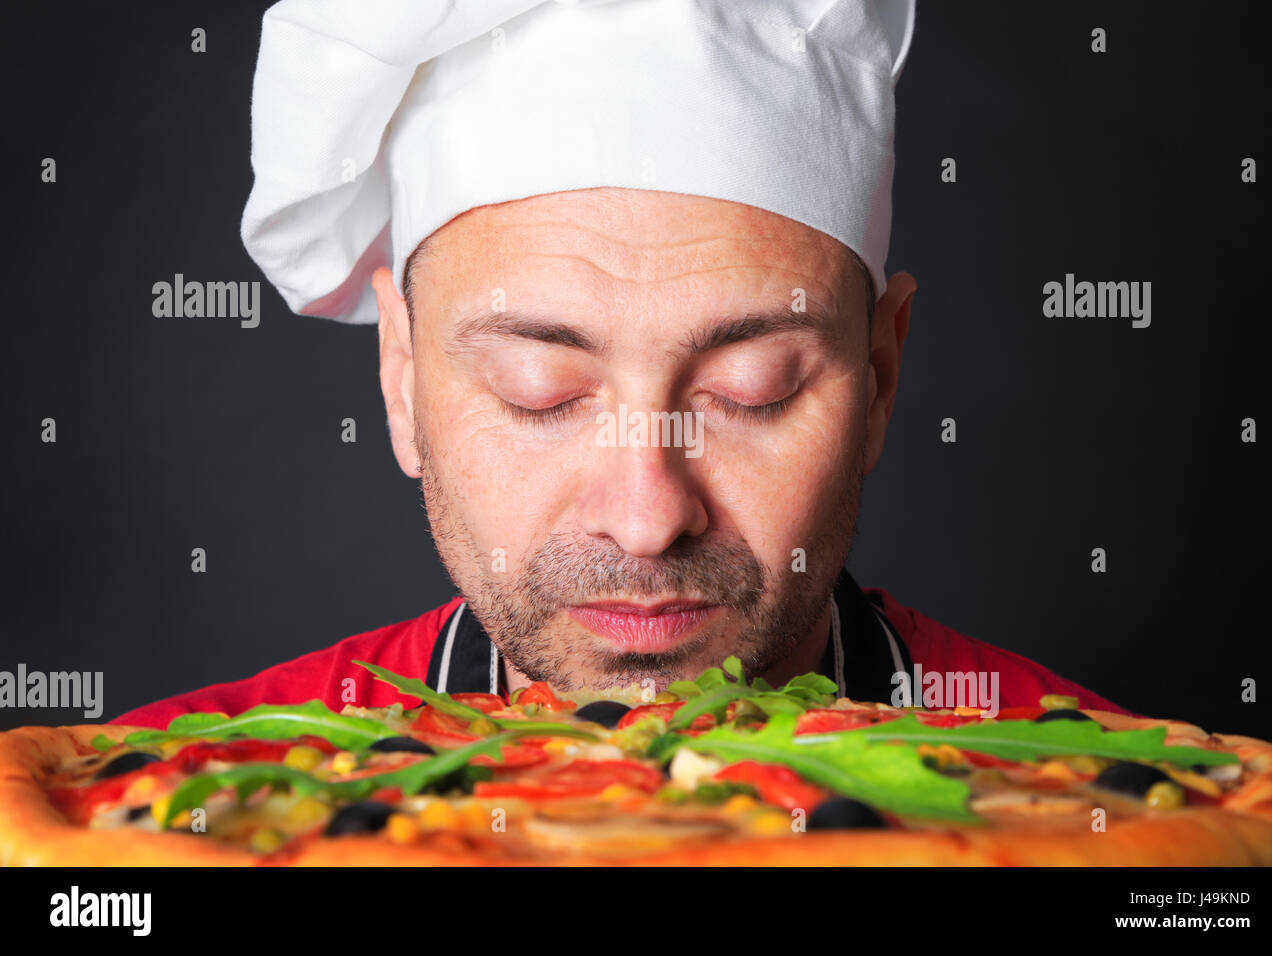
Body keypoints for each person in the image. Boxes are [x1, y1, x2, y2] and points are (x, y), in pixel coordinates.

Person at [113, 0, 1132, 727]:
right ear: (398, 375)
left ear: (880, 376)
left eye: (749, 392)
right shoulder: (165, 809)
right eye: (540, 395)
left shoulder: (1120, 806)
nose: (646, 518)